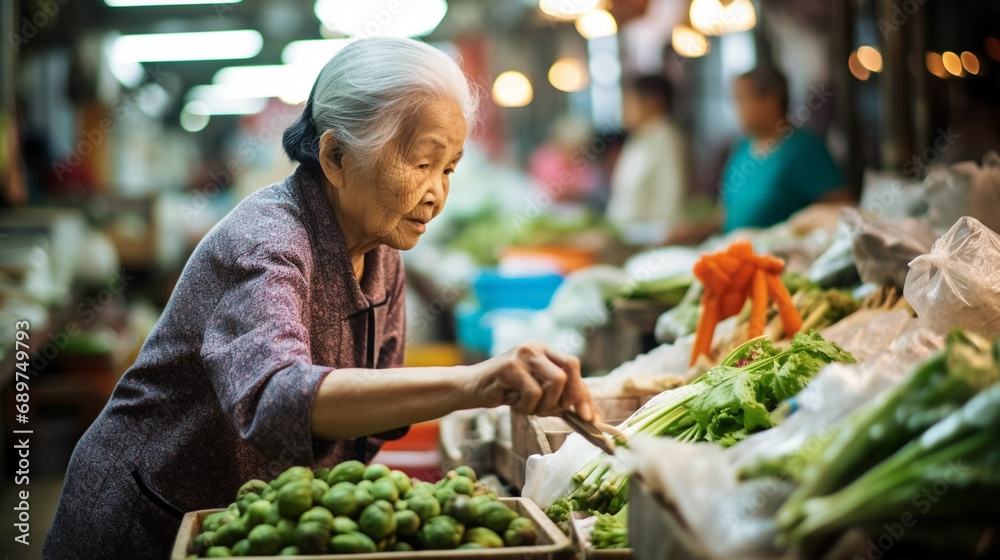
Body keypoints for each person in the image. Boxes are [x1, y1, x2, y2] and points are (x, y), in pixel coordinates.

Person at [44, 37, 596, 559]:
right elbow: (276, 398)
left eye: (448, 168)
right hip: (148, 522)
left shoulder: (384, 252)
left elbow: (374, 412)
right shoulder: (266, 240)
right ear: (334, 157)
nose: (436, 194)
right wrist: (476, 381)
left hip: (252, 522)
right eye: (422, 164)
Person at [719, 66, 849, 232]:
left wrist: (791, 230)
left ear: (771, 101)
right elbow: (727, 213)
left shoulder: (803, 148)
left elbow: (840, 204)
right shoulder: (742, 148)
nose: (736, 108)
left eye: (742, 99)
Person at [606, 75, 691, 245]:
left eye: (630, 103)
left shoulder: (668, 141)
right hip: (626, 237)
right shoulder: (639, 139)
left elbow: (670, 207)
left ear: (653, 102)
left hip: (648, 244)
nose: (624, 111)